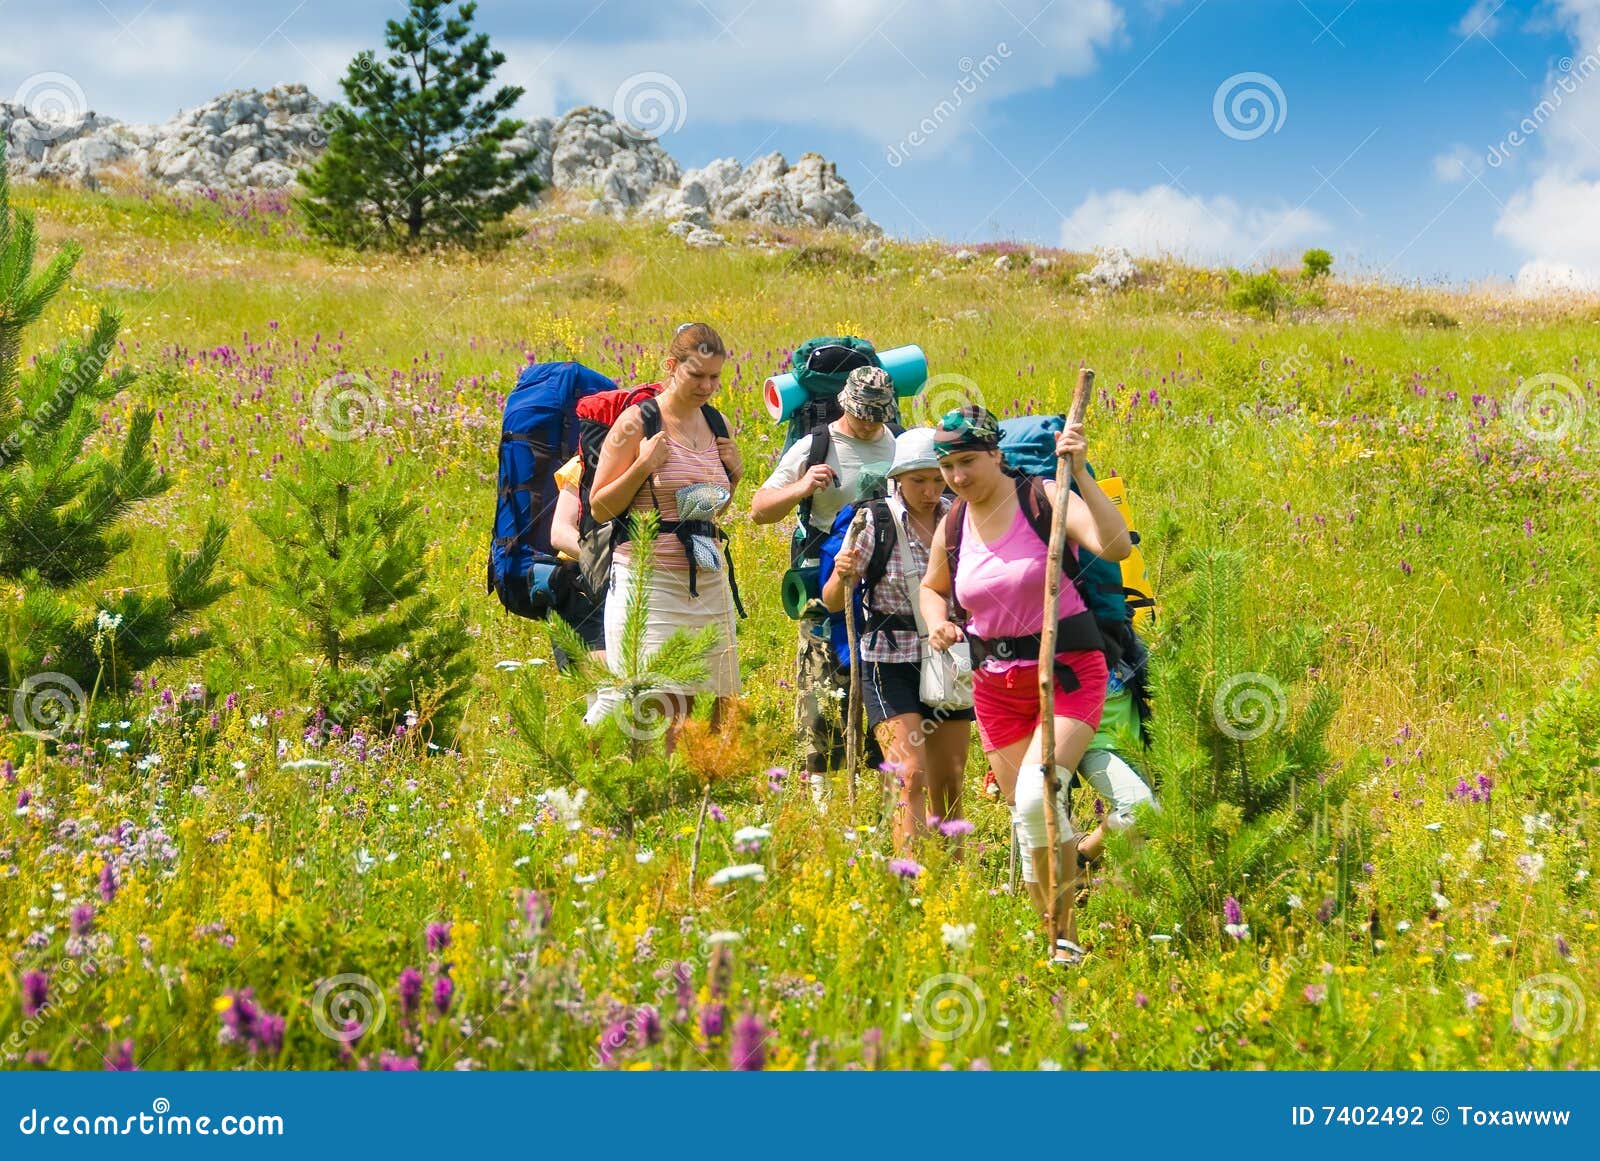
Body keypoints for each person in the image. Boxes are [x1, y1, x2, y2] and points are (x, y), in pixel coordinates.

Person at [919, 405, 1130, 965]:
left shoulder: (1045, 498)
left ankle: (1065, 937)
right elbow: (932, 587)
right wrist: (937, 620)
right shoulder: (955, 522)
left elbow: (1116, 548)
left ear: (995, 454)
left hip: (1066, 671)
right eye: (947, 467)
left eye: (968, 462)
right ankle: (1061, 937)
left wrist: (1080, 473)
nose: (957, 477)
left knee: (1038, 798)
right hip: (994, 687)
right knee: (1030, 814)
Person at [588, 323, 743, 756]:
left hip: (709, 578)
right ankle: (649, 794)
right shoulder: (637, 422)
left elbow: (706, 511)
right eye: (697, 376)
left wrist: (734, 477)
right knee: (658, 699)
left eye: (715, 377)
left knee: (714, 703)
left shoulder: (717, 422)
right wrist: (641, 466)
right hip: (648, 582)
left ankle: (697, 799)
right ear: (671, 367)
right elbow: (599, 507)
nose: (708, 387)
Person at [822, 428, 973, 853]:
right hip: (889, 660)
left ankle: (952, 880)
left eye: (937, 478)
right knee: (910, 774)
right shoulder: (875, 520)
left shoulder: (959, 519)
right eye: (917, 480)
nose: (929, 491)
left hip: (949, 660)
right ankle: (909, 878)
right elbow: (834, 601)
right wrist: (841, 571)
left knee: (951, 777)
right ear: (898, 480)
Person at [752, 366, 899, 797]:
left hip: (887, 588)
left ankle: (881, 789)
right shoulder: (815, 446)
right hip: (824, 585)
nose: (870, 423)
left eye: (878, 415)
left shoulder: (899, 445)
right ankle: (820, 794)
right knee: (822, 686)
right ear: (843, 405)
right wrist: (800, 488)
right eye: (862, 414)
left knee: (883, 684)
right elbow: (759, 510)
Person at [547, 453, 606, 673]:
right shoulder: (582, 463)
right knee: (608, 689)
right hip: (580, 594)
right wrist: (612, 562)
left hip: (629, 590)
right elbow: (560, 533)